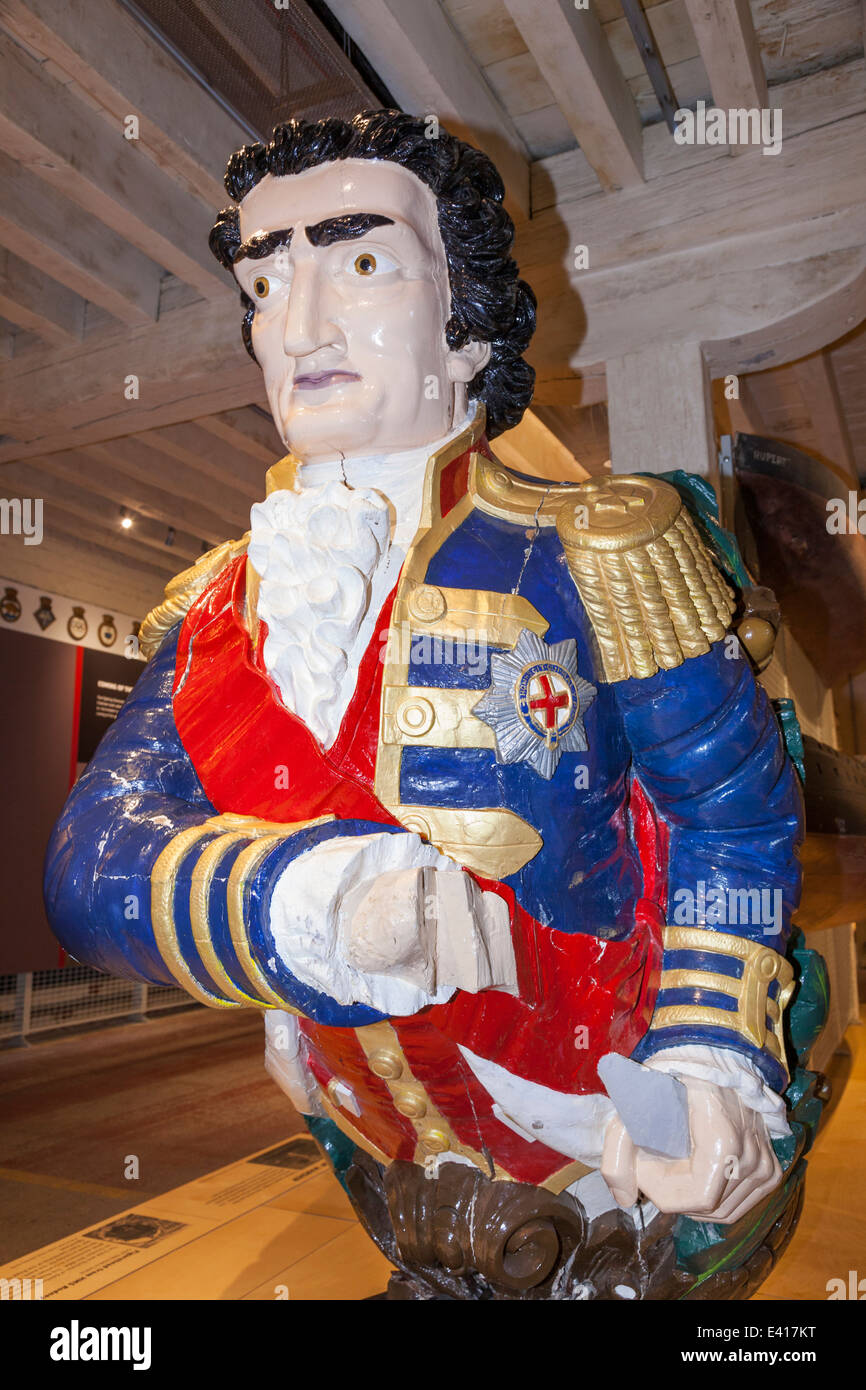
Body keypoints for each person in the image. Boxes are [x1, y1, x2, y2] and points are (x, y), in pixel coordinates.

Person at [45, 111, 805, 1300]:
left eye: (358, 263)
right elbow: (89, 861)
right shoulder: (208, 615)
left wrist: (708, 1048)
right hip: (386, 1165)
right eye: (266, 278)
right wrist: (302, 911)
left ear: (464, 326)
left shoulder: (598, 553)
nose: (297, 325)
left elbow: (729, 814)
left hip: (603, 1141)